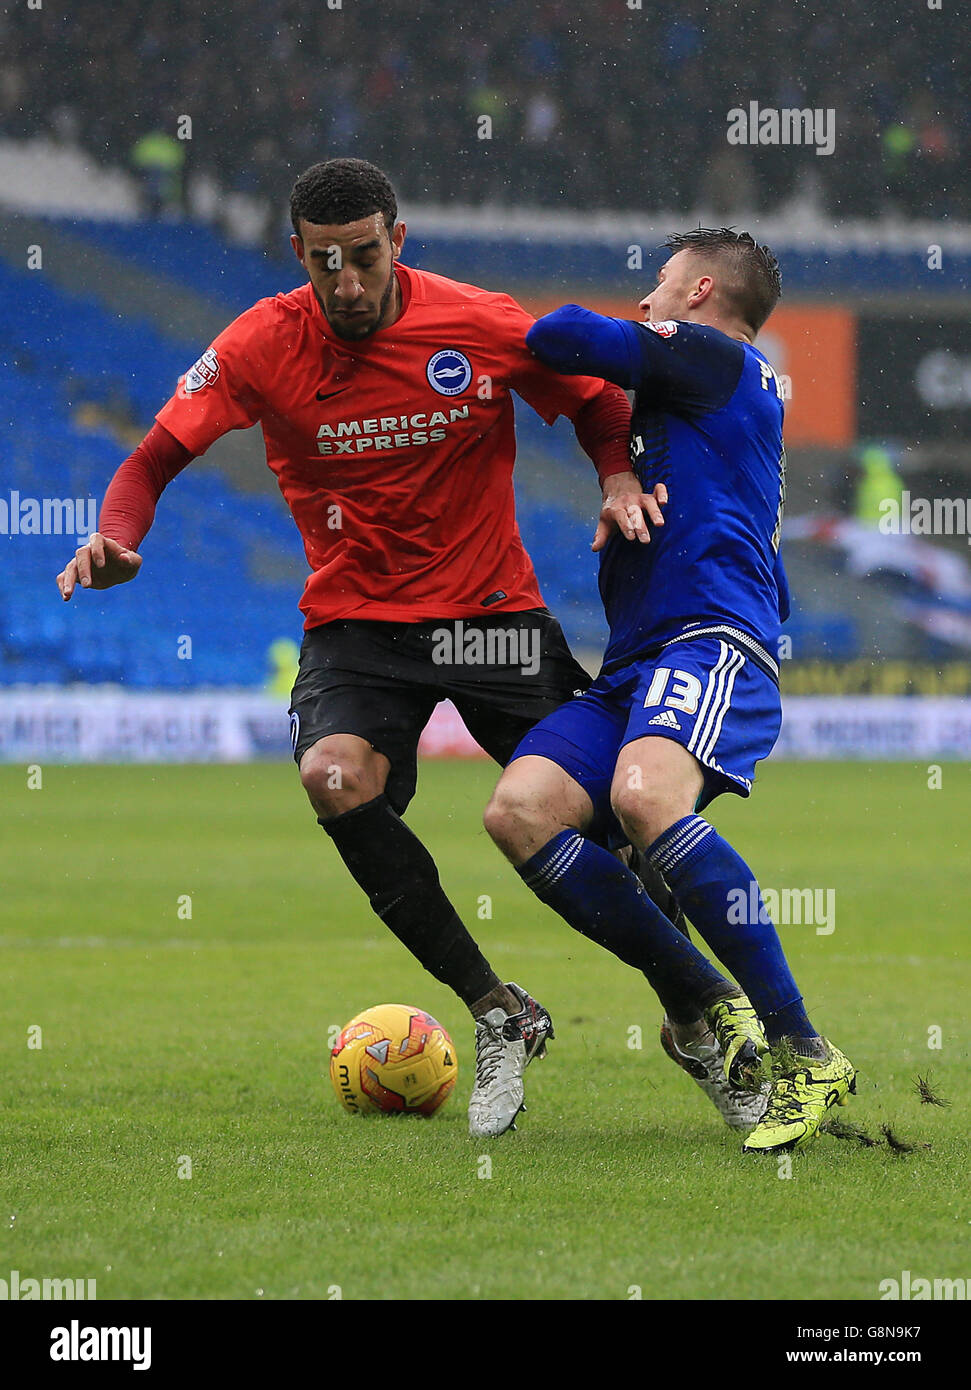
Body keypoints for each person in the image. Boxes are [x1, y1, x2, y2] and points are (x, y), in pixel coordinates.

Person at [57, 157, 697, 1140]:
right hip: (359, 630)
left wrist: (615, 476)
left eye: (364, 257)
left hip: (489, 620)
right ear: (297, 256)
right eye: (326, 264)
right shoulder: (260, 344)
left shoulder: (477, 321)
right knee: (332, 776)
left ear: (397, 241)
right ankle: (497, 1011)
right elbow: (152, 460)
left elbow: (593, 400)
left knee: (618, 811)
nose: (347, 283)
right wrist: (118, 535)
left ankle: (695, 1009)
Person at [483, 228, 856, 1153]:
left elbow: (563, 336)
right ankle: (700, 998)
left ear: (696, 291)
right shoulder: (693, 392)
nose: (643, 301)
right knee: (519, 811)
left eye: (653, 287)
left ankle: (805, 1049)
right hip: (634, 662)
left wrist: (474, 318)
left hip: (711, 637)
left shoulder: (714, 356)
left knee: (643, 795)